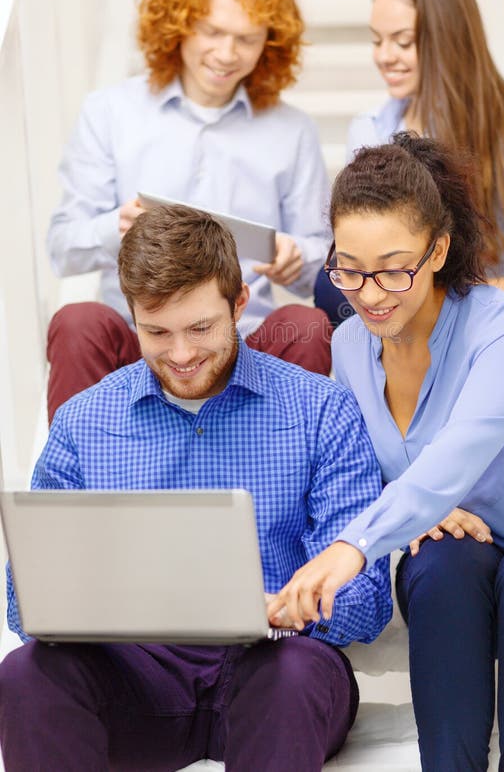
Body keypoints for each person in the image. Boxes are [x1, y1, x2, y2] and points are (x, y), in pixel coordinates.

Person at [0, 204, 392, 772]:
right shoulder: (84, 422)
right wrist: (80, 603)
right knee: (26, 674)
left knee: (293, 673)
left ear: (238, 305)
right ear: (132, 315)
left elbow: (370, 600)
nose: (180, 356)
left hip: (275, 664)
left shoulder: (320, 410)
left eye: (200, 328)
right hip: (137, 678)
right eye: (156, 332)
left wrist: (301, 606)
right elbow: (21, 600)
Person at [269, 134, 504, 771]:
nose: (368, 292)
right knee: (439, 562)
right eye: (350, 268)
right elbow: (374, 468)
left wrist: (359, 540)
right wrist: (425, 505)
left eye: (394, 267)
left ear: (439, 250)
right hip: (474, 571)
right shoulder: (347, 349)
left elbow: (464, 446)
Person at [46, 0, 332, 423]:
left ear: (269, 43)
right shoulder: (110, 112)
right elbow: (62, 247)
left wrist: (296, 258)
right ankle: (74, 493)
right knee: (78, 322)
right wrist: (115, 227)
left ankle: (283, 491)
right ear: (178, 25)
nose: (226, 54)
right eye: (212, 31)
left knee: (307, 325)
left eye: (247, 39)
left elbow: (324, 268)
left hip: (240, 343)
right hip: (140, 336)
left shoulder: (292, 131)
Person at [315, 0, 504, 326]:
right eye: (377, 41)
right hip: (398, 330)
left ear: (448, 42)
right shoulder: (369, 130)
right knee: (327, 290)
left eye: (403, 42)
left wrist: (445, 296)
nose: (384, 56)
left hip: (477, 328)